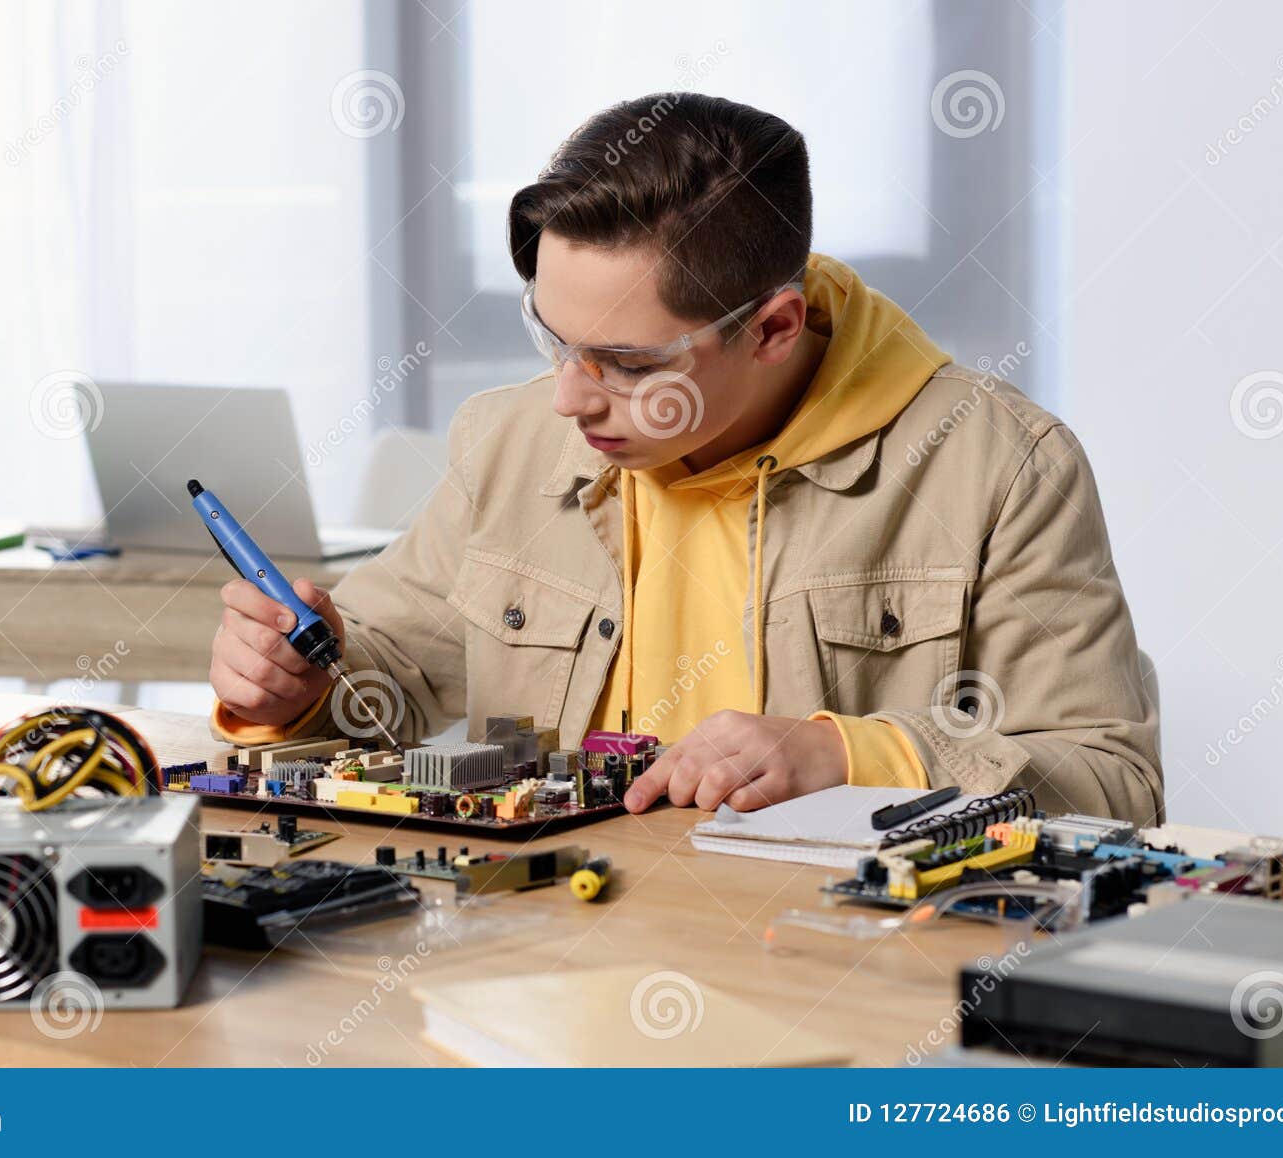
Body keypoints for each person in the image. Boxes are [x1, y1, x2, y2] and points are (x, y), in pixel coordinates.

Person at [207, 93, 1162, 824]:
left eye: (627, 363)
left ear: (776, 328)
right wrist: (297, 690)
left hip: (832, 985)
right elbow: (387, 690)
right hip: (560, 973)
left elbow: (1115, 784)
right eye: (553, 339)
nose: (572, 397)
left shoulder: (999, 466)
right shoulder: (510, 440)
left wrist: (848, 756)